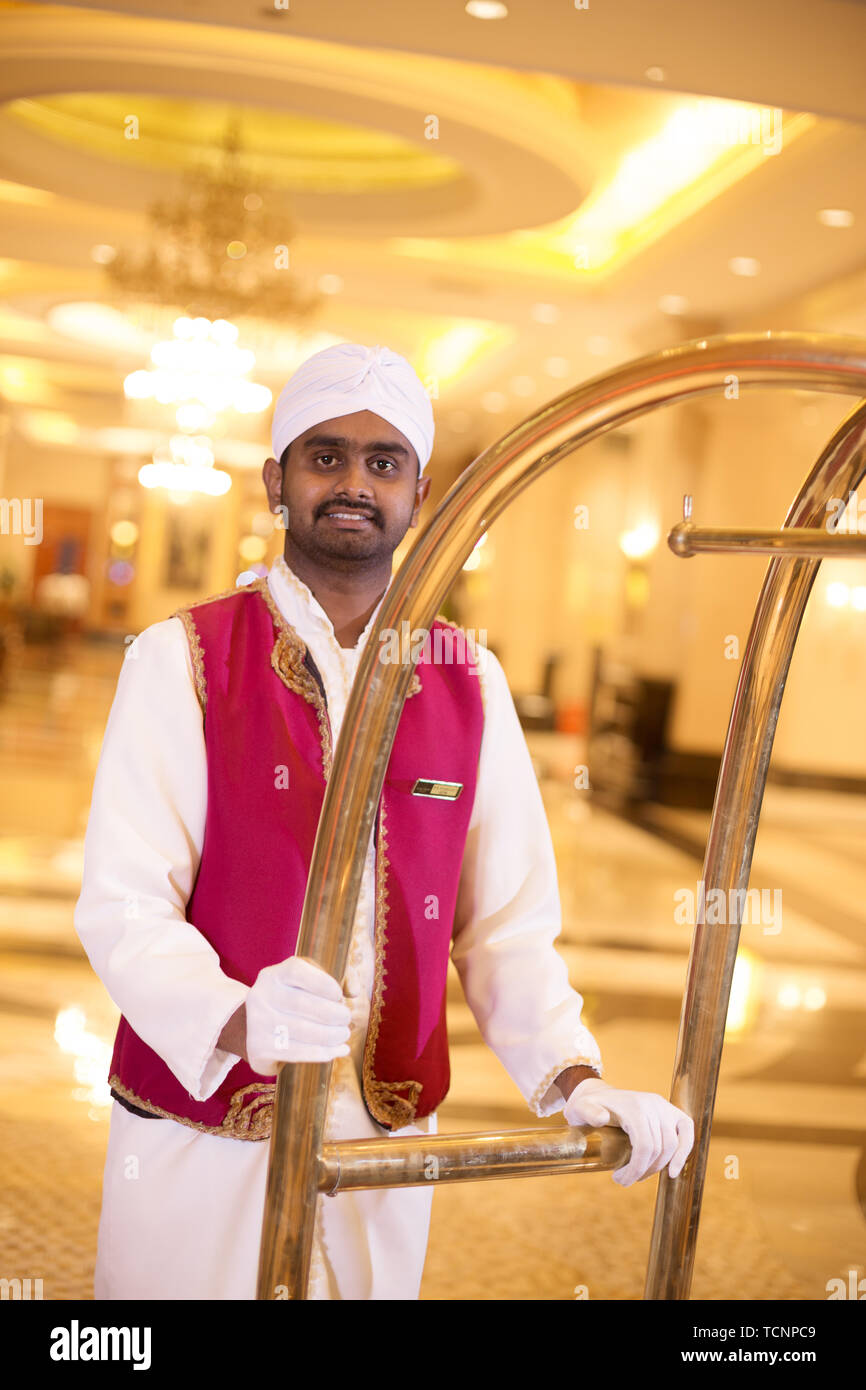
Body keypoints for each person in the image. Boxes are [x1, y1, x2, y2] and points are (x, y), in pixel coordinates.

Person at [74, 341, 694, 1301]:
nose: (354, 482)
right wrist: (239, 1017)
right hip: (204, 1124)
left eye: (383, 460)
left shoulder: (470, 683)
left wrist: (577, 1082)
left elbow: (508, 933)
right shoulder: (182, 658)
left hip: (385, 1144)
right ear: (275, 478)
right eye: (325, 456)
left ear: (420, 488)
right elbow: (123, 907)